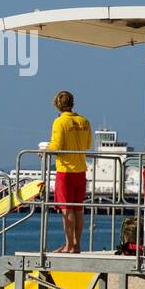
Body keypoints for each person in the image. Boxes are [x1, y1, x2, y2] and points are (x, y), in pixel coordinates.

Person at [48, 90, 92, 253]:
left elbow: (56, 146)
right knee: (78, 208)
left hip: (65, 170)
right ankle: (77, 244)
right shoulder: (84, 121)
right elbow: (87, 145)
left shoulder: (59, 122)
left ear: (57, 105)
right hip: (81, 170)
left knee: (67, 209)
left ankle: (69, 245)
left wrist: (45, 150)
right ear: (72, 103)